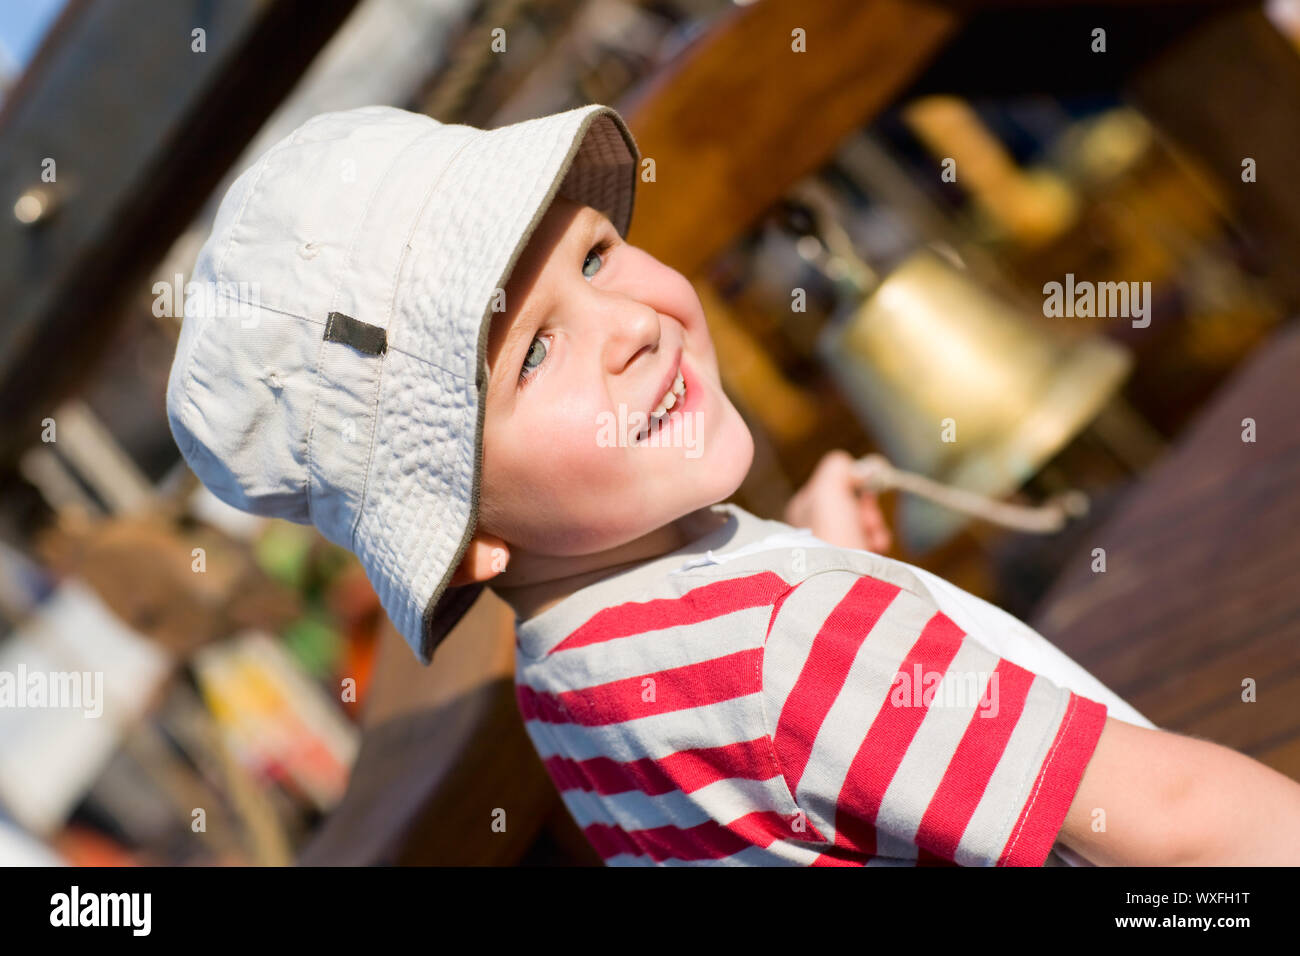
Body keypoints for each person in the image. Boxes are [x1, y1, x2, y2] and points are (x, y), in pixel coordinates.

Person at [167, 103, 1300, 867]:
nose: (624, 330)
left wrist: (823, 563)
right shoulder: (796, 644)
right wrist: (833, 613)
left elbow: (768, 753)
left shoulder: (570, 676)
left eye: (596, 256)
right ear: (466, 544)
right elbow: (1175, 815)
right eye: (531, 353)